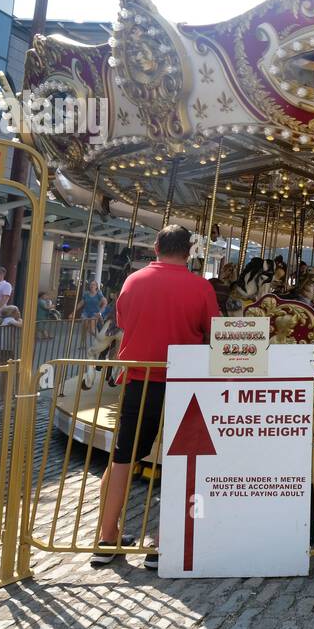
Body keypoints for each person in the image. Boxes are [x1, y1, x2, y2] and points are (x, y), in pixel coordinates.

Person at [92, 225, 219, 569]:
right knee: (180, 459)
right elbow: (215, 332)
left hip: (139, 378)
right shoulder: (201, 287)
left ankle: (106, 537)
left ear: (156, 246)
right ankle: (161, 544)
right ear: (190, 251)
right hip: (183, 381)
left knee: (122, 457)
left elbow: (123, 320)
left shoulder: (133, 282)